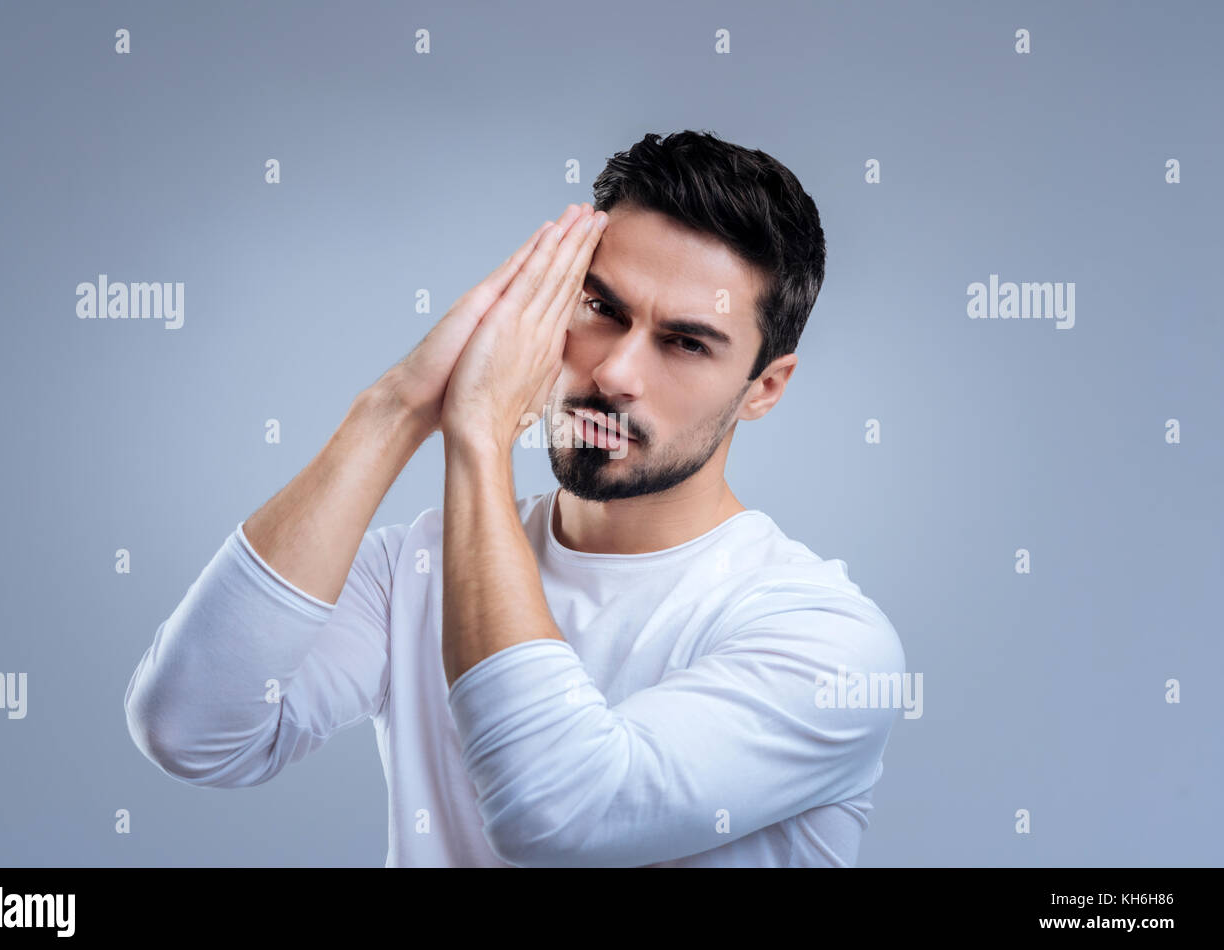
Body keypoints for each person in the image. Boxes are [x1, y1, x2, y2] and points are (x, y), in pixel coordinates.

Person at [124, 130, 905, 867]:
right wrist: (395, 405)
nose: (616, 374)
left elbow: (556, 809)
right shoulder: (418, 567)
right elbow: (190, 729)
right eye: (601, 308)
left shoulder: (827, 641)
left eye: (685, 342)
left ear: (764, 387)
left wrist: (478, 435)